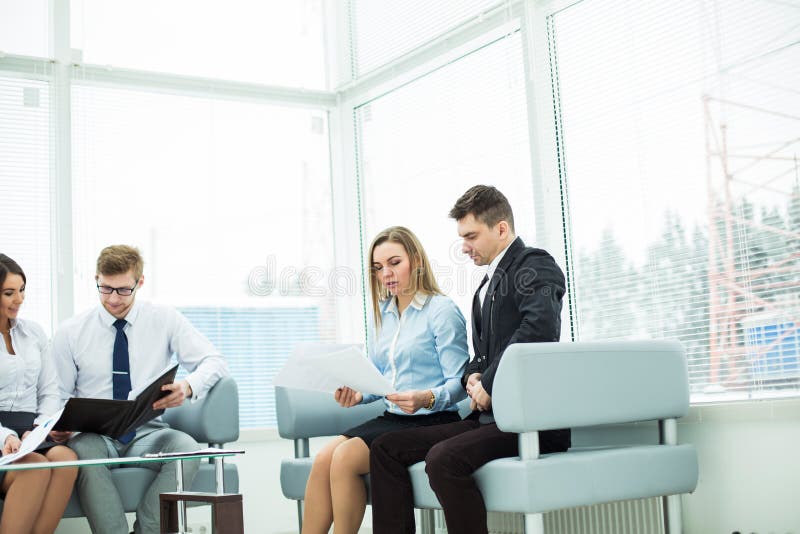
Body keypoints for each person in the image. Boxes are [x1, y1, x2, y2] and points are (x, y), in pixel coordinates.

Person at [370, 186, 571, 534]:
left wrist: (489, 383)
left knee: (442, 458)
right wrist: (473, 377)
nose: (464, 246)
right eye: (462, 237)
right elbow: (481, 356)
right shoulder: (486, 286)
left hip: (529, 422)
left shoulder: (535, 265)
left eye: (471, 236)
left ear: (501, 229)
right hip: (490, 419)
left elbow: (539, 329)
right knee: (385, 448)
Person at [49, 245, 229, 534]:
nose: (113, 299)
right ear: (96, 279)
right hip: (96, 436)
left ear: (140, 282)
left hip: (147, 432)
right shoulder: (71, 332)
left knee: (186, 449)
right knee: (84, 450)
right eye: (105, 288)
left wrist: (188, 386)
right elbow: (56, 395)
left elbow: (214, 361)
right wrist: (58, 425)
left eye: (123, 290)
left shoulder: (164, 319)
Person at [302, 226, 469, 534]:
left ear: (416, 260)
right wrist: (359, 395)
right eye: (378, 268)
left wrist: (427, 397)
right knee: (323, 458)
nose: (386, 274)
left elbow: (460, 383)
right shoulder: (382, 314)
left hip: (433, 420)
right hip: (393, 418)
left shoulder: (441, 311)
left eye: (394, 263)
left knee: (344, 458)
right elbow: (381, 379)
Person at [0, 254, 78, 534]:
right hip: (2, 434)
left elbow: (49, 390)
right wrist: (6, 437)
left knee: (66, 459)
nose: (19, 299)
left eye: (22, 290)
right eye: (9, 293)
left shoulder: (33, 333)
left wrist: (38, 429)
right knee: (34, 466)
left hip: (30, 430)